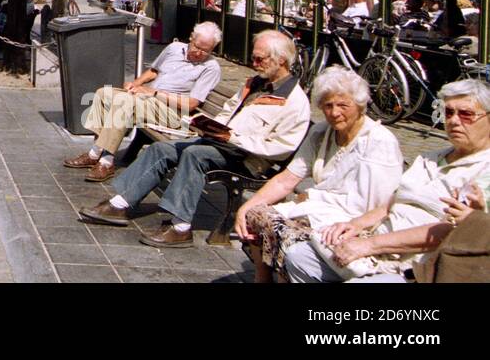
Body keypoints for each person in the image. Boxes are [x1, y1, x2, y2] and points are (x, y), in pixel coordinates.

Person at [80, 30, 310, 248]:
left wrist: (233, 137)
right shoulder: (256, 82)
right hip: (223, 143)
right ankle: (121, 203)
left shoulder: (294, 101)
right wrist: (213, 127)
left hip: (249, 157)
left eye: (260, 59)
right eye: (254, 58)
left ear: (281, 60)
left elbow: (281, 148)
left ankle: (181, 227)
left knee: (194, 155)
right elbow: (229, 109)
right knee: (162, 149)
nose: (254, 64)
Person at [280, 79, 490, 282]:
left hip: (419, 264)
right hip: (379, 244)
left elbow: (448, 232)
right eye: (449, 112)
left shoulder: (484, 170)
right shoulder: (431, 157)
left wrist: (370, 245)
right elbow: (391, 203)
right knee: (299, 257)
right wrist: (354, 225)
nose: (454, 120)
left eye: (466, 114)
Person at [236, 66, 405, 282]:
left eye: (343, 105)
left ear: (360, 106)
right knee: (255, 215)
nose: (335, 113)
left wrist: (323, 204)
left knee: (287, 237)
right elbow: (288, 179)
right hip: (319, 209)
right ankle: (263, 279)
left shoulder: (378, 141)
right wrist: (246, 207)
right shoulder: (321, 132)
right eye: (328, 105)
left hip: (351, 220)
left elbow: (381, 204)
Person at [63, 22, 224, 182]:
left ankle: (106, 162)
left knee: (124, 102)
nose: (199, 53)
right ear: (191, 38)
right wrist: (137, 83)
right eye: (197, 47)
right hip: (148, 101)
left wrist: (154, 92)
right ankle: (95, 153)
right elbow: (154, 71)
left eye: (205, 50)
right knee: (103, 94)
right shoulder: (174, 48)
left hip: (173, 112)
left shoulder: (211, 68)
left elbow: (191, 104)